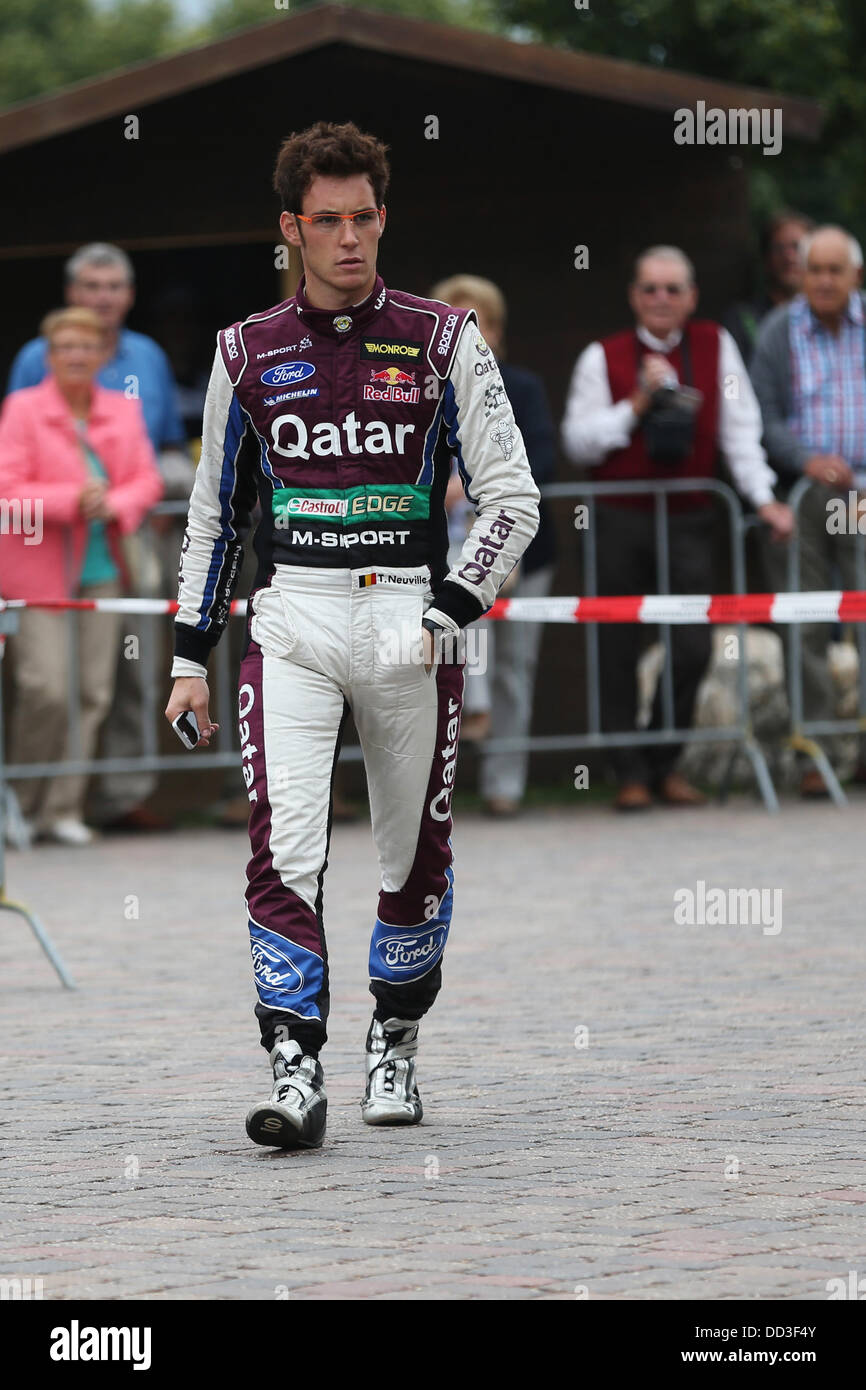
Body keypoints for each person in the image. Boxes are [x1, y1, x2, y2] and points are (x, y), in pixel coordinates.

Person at [164, 121, 540, 1150]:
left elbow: (511, 497)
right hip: (287, 618)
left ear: (383, 217)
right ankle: (292, 1067)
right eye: (323, 221)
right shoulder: (242, 351)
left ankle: (396, 1040)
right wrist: (190, 654)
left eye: (362, 217)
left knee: (409, 850)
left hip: (410, 617)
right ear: (290, 227)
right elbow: (211, 513)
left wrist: (453, 606)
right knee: (283, 845)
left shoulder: (444, 337)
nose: (346, 239)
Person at [561, 245, 793, 811]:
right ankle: (629, 773)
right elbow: (578, 439)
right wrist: (636, 405)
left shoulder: (717, 346)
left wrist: (764, 500)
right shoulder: (603, 356)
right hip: (618, 518)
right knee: (615, 643)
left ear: (690, 297)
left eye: (672, 289)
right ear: (634, 296)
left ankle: (664, 759)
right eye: (649, 289)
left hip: (690, 514)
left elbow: (741, 431)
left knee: (692, 644)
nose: (661, 299)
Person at [6, 242, 190, 834]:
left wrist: (114, 503)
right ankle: (23, 802)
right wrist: (69, 501)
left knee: (99, 689)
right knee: (45, 689)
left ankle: (66, 808)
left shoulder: (132, 386)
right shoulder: (25, 394)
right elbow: (9, 485)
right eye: (67, 348)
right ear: (50, 354)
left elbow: (149, 469)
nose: (78, 356)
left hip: (110, 557)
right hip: (37, 565)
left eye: (87, 347)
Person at [430, 274, 556, 815]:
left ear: (496, 331)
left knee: (511, 666)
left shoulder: (521, 387)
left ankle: (505, 783)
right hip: (438, 547)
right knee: (438, 661)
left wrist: (479, 489)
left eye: (474, 324)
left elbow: (541, 461)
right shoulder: (415, 390)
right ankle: (438, 790)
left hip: (518, 546)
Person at [750, 225, 866, 795]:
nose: (822, 280)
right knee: (808, 620)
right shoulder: (778, 331)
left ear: (855, 277)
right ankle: (819, 751)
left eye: (833, 271)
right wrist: (805, 458)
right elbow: (763, 414)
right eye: (813, 270)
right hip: (805, 493)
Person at [723, 210, 814, 363]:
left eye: (797, 247)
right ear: (766, 259)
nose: (789, 256)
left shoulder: (830, 318)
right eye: (779, 248)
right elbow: (732, 382)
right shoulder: (742, 320)